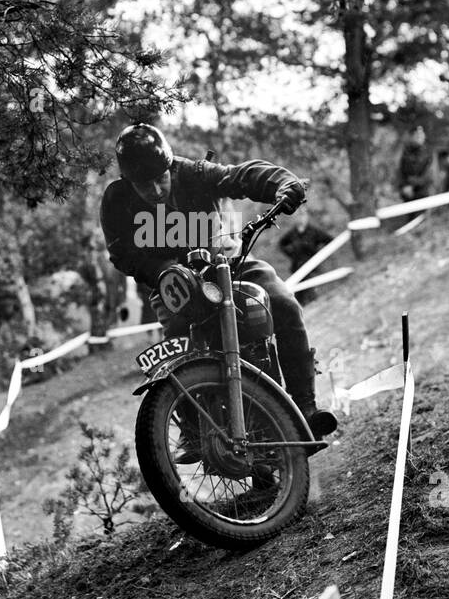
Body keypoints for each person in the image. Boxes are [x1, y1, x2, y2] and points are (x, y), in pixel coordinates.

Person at [100, 124, 337, 437]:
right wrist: (162, 271)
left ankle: (305, 405)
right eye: (146, 185)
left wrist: (282, 183)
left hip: (230, 266)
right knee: (177, 342)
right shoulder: (117, 201)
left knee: (283, 302)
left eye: (161, 178)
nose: (156, 190)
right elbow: (120, 252)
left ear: (170, 166)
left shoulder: (195, 173)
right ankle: (192, 428)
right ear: (129, 181)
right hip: (173, 284)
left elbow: (239, 176)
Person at [278, 208, 334, 306]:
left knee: (313, 294)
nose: (301, 219)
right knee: (298, 297)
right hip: (297, 267)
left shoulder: (314, 231)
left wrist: (320, 254)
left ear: (306, 217)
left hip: (312, 267)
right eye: (298, 216)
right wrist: (290, 253)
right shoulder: (292, 233)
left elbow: (329, 240)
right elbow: (281, 244)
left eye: (302, 216)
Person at [394, 124, 437, 201]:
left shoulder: (429, 152)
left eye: (421, 134)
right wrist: (404, 186)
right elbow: (400, 171)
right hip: (407, 194)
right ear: (411, 136)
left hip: (424, 193)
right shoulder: (405, 152)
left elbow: (430, 174)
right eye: (416, 134)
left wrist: (413, 185)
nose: (419, 136)